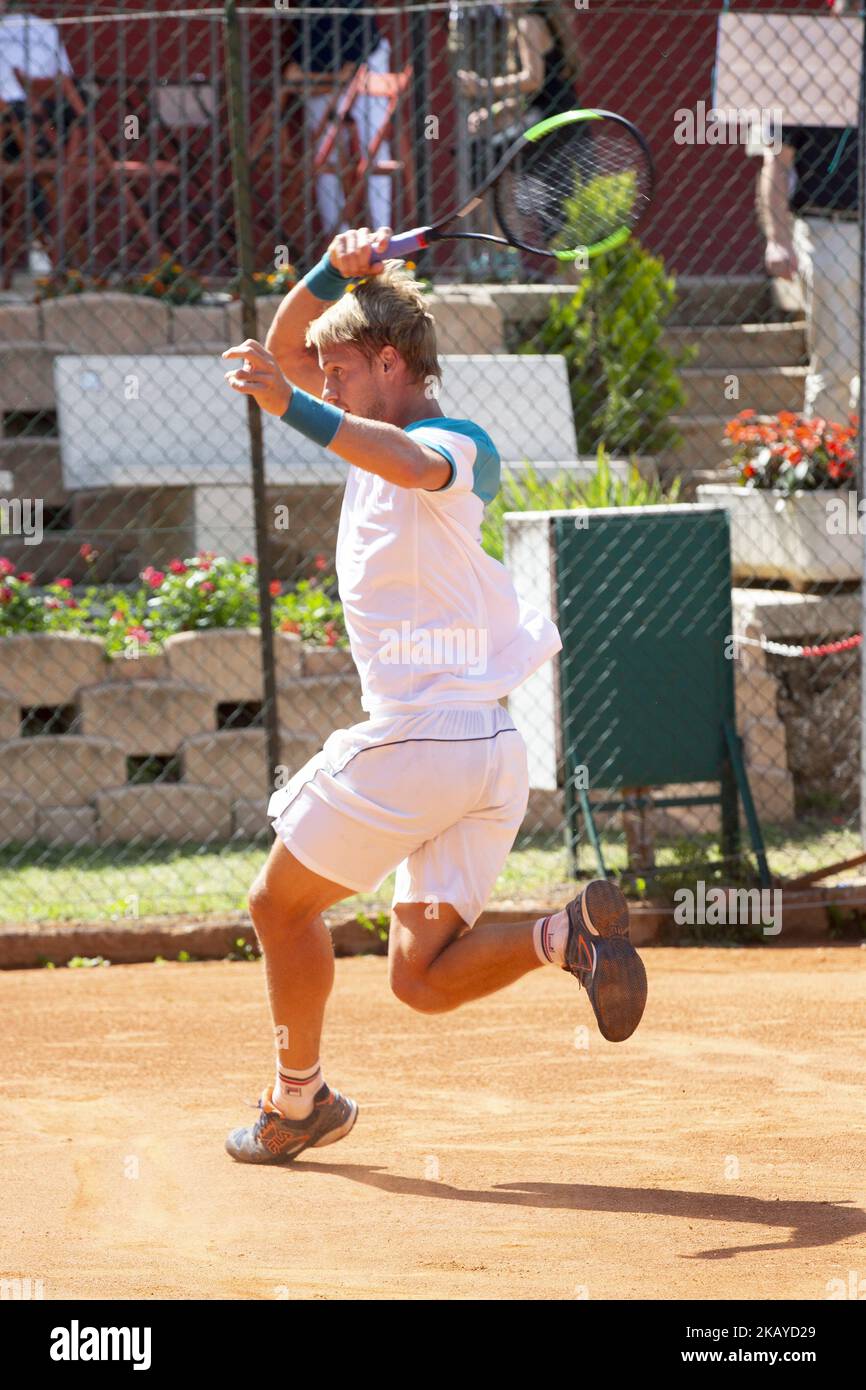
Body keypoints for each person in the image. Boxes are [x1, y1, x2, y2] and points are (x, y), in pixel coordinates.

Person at [219, 225, 648, 1164]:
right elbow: (288, 348)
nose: (321, 383)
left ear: (386, 362)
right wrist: (336, 266)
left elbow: (403, 457)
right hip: (488, 756)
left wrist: (292, 398)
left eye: (338, 372)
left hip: (428, 742)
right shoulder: (364, 432)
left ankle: (298, 1104)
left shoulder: (452, 444)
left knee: (278, 907)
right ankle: (562, 937)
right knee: (419, 977)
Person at [757, 0, 859, 423]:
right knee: (839, 364)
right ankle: (828, 467)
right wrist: (777, 240)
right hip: (827, 227)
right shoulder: (808, 77)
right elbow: (776, 165)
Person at [283, 0, 392, 238]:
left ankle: (384, 240)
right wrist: (311, 79)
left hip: (365, 54)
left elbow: (359, 37)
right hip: (318, 58)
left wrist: (342, 76)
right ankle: (338, 240)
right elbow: (295, 73)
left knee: (374, 146)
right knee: (323, 152)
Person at [0, 0, 76, 270]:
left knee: (30, 161)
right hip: (41, 127)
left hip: (29, 125)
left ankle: (43, 243)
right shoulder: (43, 28)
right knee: (33, 162)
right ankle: (44, 244)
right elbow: (65, 79)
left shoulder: (38, 29)